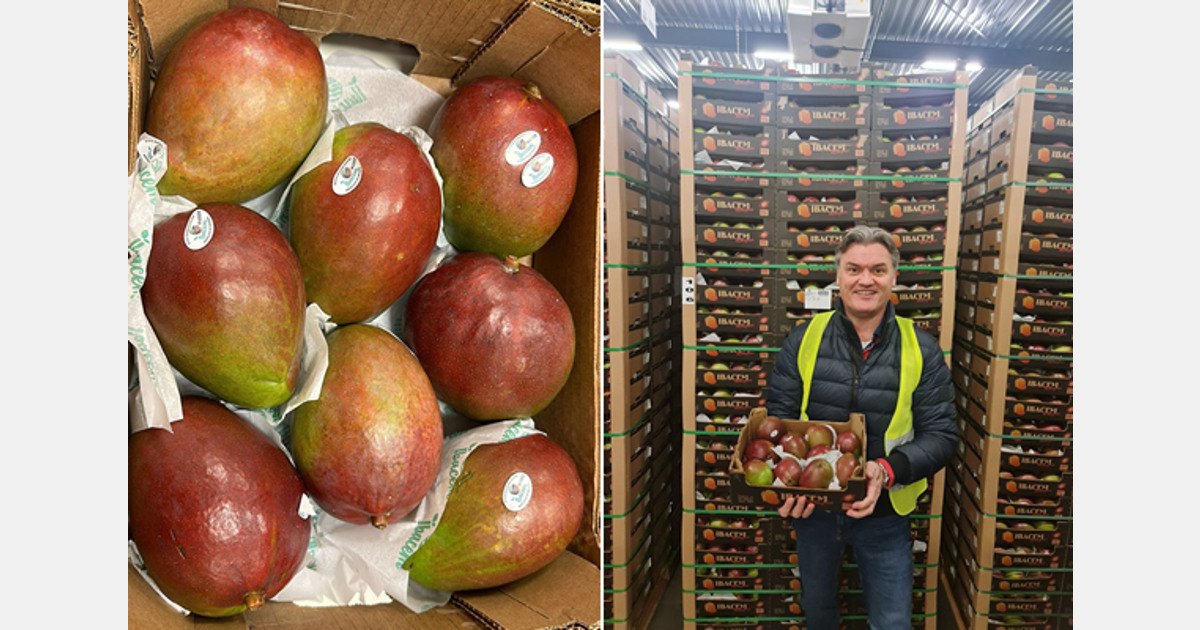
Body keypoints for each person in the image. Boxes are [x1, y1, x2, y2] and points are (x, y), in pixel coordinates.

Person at [766, 224, 958, 630]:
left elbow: (941, 435)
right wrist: (788, 487)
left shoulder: (920, 348)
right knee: (817, 612)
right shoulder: (802, 340)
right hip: (814, 511)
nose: (865, 280)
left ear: (894, 278)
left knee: (892, 622)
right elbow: (777, 426)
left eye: (877, 269)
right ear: (838, 277)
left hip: (885, 511)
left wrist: (887, 471)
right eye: (854, 269)